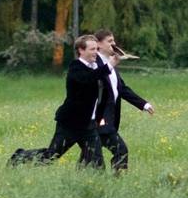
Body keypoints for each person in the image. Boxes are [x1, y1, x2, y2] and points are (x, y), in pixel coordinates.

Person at [9, 34, 112, 168]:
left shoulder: (94, 67)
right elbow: (87, 79)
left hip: (88, 125)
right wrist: (110, 65)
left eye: (97, 49)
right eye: (92, 49)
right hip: (70, 124)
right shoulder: (75, 68)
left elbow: (101, 89)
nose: (96, 52)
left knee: (97, 161)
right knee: (50, 157)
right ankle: (20, 156)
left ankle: (90, 184)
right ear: (81, 50)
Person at [92, 29, 155, 173]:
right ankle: (117, 179)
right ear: (99, 45)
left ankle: (88, 179)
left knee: (91, 155)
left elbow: (122, 89)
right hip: (99, 118)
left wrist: (144, 104)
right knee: (120, 149)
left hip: (107, 118)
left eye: (113, 41)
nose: (113, 44)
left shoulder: (111, 63)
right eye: (109, 41)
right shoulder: (94, 63)